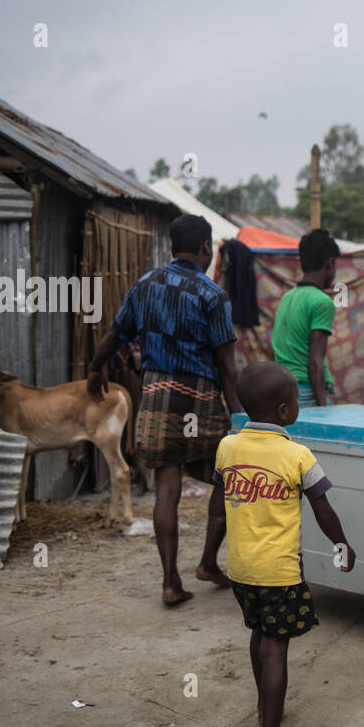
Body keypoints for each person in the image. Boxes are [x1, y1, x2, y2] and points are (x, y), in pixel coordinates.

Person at [88, 214, 238, 606]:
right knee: (226, 478)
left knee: (166, 490)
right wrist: (239, 417)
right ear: (206, 247)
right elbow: (227, 366)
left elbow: (115, 334)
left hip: (156, 397)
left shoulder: (143, 286)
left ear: (173, 246)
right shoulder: (212, 295)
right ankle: (207, 562)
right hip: (200, 402)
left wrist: (94, 368)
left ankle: (170, 582)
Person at [215, 362, 355, 727]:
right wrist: (342, 544)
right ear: (283, 411)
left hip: (240, 569)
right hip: (279, 573)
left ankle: (265, 709)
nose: (297, 406)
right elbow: (323, 510)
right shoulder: (297, 455)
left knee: (259, 636)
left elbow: (222, 496)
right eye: (294, 400)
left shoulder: (227, 447)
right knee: (277, 650)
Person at [271, 229, 341, 406]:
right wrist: (323, 411)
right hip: (306, 391)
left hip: (283, 389)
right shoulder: (322, 302)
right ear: (329, 264)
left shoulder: (288, 296)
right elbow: (315, 363)